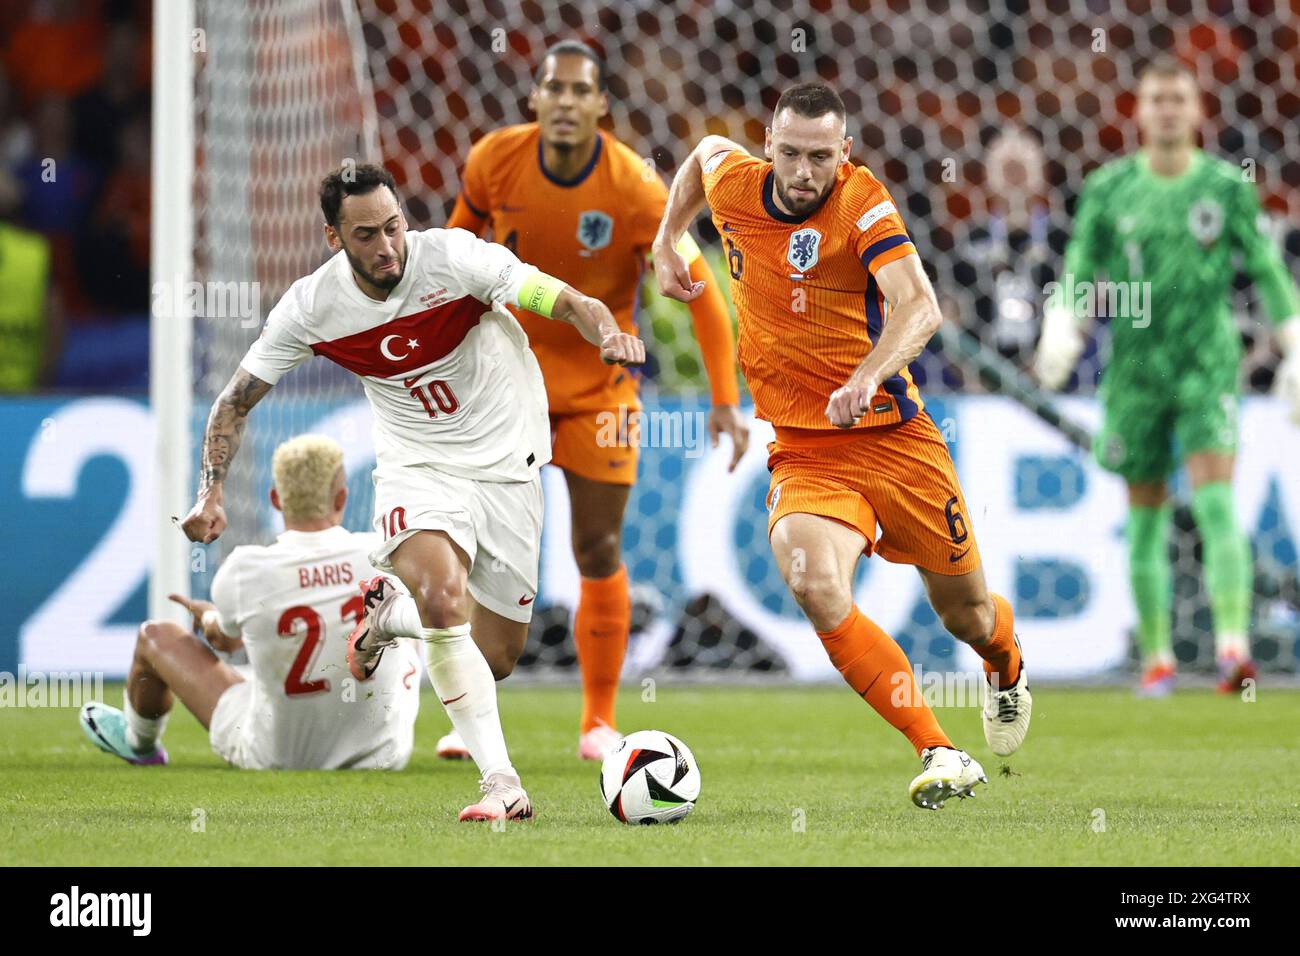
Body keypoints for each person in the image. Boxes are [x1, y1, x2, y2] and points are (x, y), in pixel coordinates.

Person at [180, 163, 644, 820]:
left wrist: (604, 331)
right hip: (417, 467)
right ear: (333, 238)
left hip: (507, 463)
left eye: (394, 226)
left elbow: (560, 298)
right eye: (366, 234)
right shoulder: (312, 306)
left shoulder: (455, 259)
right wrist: (211, 492)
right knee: (441, 595)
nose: (387, 246)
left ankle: (389, 621)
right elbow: (234, 401)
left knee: (499, 654)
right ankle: (501, 785)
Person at [654, 83, 1031, 810]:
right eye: (790, 153)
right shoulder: (735, 184)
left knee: (968, 616)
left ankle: (1005, 664)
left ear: (845, 153)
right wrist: (667, 236)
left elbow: (918, 305)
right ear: (767, 144)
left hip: (894, 441)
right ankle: (940, 751)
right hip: (805, 448)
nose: (802, 172)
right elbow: (702, 156)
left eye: (819, 157)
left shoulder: (861, 203)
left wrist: (868, 375)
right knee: (815, 584)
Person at [444, 40, 748, 760]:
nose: (568, 101)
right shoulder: (494, 161)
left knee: (597, 546)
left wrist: (725, 400)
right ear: (536, 99)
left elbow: (702, 295)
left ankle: (598, 722)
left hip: (599, 394)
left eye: (583, 91)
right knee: (480, 552)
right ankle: (471, 721)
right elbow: (452, 252)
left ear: (602, 106)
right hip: (504, 386)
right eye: (556, 88)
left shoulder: (635, 188)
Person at [1033, 56, 1300, 696]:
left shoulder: (1226, 188)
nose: (1169, 110)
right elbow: (1080, 264)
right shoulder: (1108, 189)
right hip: (1135, 371)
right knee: (1145, 514)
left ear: (1198, 111)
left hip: (1206, 364)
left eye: (1179, 99)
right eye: (1157, 99)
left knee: (1214, 502)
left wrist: (1294, 339)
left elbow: (1264, 267)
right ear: (1139, 111)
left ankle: (1233, 652)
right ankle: (1158, 659)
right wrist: (1063, 324)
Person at [80, 435, 421, 770]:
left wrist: (209, 618)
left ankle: (140, 744)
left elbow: (224, 641)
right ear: (342, 498)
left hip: (273, 755)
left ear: (274, 499)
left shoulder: (246, 570)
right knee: (409, 622)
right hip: (382, 756)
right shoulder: (387, 555)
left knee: (156, 635)